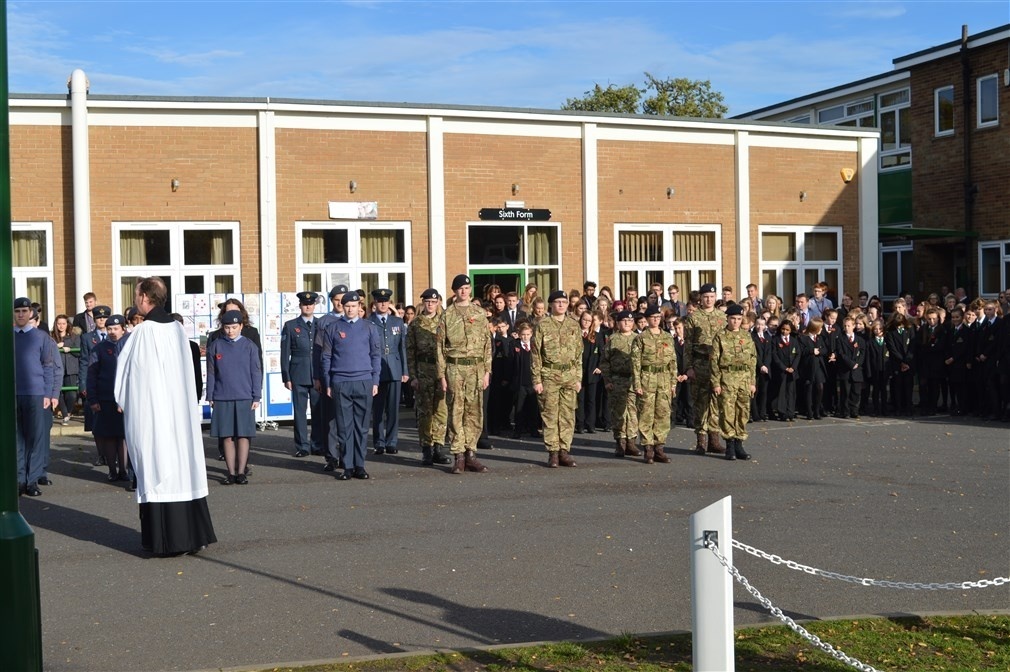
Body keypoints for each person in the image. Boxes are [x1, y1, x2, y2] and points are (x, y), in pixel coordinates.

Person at [115, 276, 217, 556]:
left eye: (137, 294)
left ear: (145, 297)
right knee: (182, 469)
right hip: (179, 416)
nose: (135, 299)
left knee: (158, 466)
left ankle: (166, 542)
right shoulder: (177, 331)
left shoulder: (142, 333)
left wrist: (125, 403)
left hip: (154, 415)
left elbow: (128, 378)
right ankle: (193, 537)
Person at [320, 291, 381, 481]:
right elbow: (326, 357)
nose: (350, 309)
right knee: (344, 427)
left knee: (361, 427)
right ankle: (347, 466)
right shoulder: (333, 328)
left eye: (354, 306)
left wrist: (375, 380)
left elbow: (375, 356)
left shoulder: (370, 328)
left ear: (359, 307)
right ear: (342, 307)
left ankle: (359, 465)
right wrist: (328, 382)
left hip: (364, 381)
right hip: (341, 382)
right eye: (347, 306)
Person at [436, 274, 491, 474]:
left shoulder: (480, 313)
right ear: (454, 291)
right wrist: (441, 375)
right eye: (460, 288)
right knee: (456, 411)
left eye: (466, 288)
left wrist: (487, 371)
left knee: (475, 411)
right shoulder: (447, 315)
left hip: (476, 369)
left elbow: (487, 344)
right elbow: (440, 348)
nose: (464, 291)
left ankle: (471, 454)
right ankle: (458, 454)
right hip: (455, 368)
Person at [207, 310, 263, 484]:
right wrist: (210, 395)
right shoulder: (215, 346)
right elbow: (211, 373)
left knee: (243, 435)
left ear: (241, 326)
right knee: (227, 435)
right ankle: (230, 472)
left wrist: (256, 396)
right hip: (222, 396)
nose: (230, 331)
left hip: (244, 396)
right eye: (227, 327)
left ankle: (241, 472)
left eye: (234, 327)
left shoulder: (249, 346)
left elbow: (256, 372)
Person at [14, 297, 61, 497]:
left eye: (25, 311)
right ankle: (19, 480)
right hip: (13, 394)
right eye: (18, 311)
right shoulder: (7, 337)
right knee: (17, 440)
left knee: (34, 438)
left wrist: (49, 393)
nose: (21, 314)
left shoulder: (41, 337)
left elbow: (48, 366)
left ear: (31, 314)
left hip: (36, 393)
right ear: (13, 314)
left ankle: (32, 481)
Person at [532, 290, 582, 468]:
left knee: (568, 415)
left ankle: (564, 450)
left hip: (569, 374)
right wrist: (536, 380)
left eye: (564, 301)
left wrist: (578, 377)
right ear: (550, 305)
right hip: (549, 375)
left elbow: (578, 354)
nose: (561, 305)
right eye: (557, 302)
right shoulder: (543, 325)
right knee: (550, 414)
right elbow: (536, 355)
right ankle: (553, 452)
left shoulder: (573, 326)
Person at [86, 314, 132, 486]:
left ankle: (124, 470)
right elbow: (92, 375)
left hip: (126, 398)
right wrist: (93, 398)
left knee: (123, 436)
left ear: (123, 328)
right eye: (109, 329)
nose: (112, 332)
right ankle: (112, 470)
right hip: (105, 398)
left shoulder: (130, 344)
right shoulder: (100, 348)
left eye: (116, 328)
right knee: (109, 436)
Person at [406, 289, 451, 465]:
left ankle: (439, 447)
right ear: (423, 303)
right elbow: (410, 352)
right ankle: (426, 448)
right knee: (425, 411)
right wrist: (413, 376)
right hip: (423, 369)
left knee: (441, 410)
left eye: (433, 302)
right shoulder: (416, 324)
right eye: (427, 302)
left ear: (438, 302)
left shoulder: (445, 321)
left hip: (441, 372)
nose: (430, 305)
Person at [683, 283, 726, 455]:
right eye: (705, 296)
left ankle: (714, 440)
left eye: (711, 297)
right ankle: (701, 441)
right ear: (700, 298)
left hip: (716, 365)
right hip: (699, 364)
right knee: (700, 402)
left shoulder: (722, 317)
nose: (708, 299)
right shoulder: (693, 318)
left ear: (715, 298)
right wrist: (689, 367)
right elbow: (687, 345)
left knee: (715, 402)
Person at [632, 305, 677, 464]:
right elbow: (635, 363)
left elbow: (672, 361)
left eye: (658, 317)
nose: (656, 320)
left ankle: (659, 447)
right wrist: (637, 383)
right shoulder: (641, 338)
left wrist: (673, 382)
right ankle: (648, 448)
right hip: (647, 377)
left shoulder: (667, 337)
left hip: (664, 377)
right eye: (653, 317)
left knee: (663, 413)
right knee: (646, 413)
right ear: (647, 319)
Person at [711, 304, 756, 461]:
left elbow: (752, 359)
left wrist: (752, 382)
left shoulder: (747, 336)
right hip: (727, 377)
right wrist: (716, 383)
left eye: (738, 319)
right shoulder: (720, 336)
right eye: (733, 319)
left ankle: (739, 444)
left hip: (743, 377)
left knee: (743, 412)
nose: (735, 322)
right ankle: (729, 444)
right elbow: (714, 362)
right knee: (728, 412)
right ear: (727, 319)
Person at [281, 291, 322, 458]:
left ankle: (318, 444)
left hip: (318, 374)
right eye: (305, 304)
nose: (308, 306)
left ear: (314, 305)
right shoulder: (291, 326)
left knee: (318, 411)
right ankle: (302, 446)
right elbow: (285, 353)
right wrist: (286, 377)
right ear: (300, 306)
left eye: (311, 304)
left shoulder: (321, 324)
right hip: (298, 373)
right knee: (299, 412)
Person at [368, 288, 408, 455]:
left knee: (393, 408)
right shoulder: (368, 322)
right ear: (375, 304)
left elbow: (402, 348)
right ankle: (379, 442)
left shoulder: (397, 322)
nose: (383, 303)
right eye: (379, 301)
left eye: (386, 301)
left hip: (394, 368)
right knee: (378, 409)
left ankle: (391, 441)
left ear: (389, 303)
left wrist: (405, 371)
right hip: (376, 369)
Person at [314, 285, 348, 472]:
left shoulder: (352, 320)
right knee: (329, 419)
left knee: (345, 418)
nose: (340, 303)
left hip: (347, 376)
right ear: (332, 300)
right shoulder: (324, 321)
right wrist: (317, 377)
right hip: (329, 375)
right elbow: (317, 351)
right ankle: (331, 457)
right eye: (336, 299)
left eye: (343, 299)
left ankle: (345, 455)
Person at [601, 310, 640, 458]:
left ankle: (631, 442)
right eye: (624, 321)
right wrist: (607, 380)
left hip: (633, 381)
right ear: (618, 323)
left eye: (630, 321)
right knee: (618, 413)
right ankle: (620, 442)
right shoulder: (612, 339)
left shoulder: (639, 338)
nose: (627, 324)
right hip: (617, 380)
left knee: (633, 412)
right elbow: (605, 362)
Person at [51, 314, 82, 426]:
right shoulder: (51, 337)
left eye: (64, 323)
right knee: (58, 392)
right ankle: (65, 415)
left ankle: (68, 412)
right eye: (59, 323)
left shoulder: (74, 336)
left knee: (72, 394)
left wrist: (69, 348)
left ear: (67, 324)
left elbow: (79, 352)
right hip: (57, 369)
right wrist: (57, 346)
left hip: (71, 368)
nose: (61, 326)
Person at [576, 310, 602, 434]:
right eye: (584, 319)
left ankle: (590, 424)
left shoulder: (596, 336)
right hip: (579, 372)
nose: (586, 322)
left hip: (592, 372)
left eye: (589, 320)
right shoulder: (575, 334)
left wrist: (600, 367)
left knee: (591, 399)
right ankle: (580, 424)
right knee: (580, 399)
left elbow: (603, 354)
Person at [834, 316, 866, 419]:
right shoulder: (840, 339)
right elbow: (841, 354)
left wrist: (858, 363)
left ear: (853, 326)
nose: (847, 327)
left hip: (857, 370)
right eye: (845, 326)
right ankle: (845, 411)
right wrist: (851, 364)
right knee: (845, 392)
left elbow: (862, 353)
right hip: (846, 370)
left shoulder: (860, 340)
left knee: (856, 392)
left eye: (849, 325)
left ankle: (854, 411)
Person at [770, 320, 800, 421]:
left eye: (787, 330)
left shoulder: (794, 340)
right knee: (782, 392)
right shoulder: (776, 340)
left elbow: (797, 354)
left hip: (792, 371)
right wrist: (784, 368)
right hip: (781, 371)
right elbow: (775, 356)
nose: (785, 331)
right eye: (783, 329)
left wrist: (793, 367)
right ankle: (782, 413)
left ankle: (790, 412)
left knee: (791, 392)